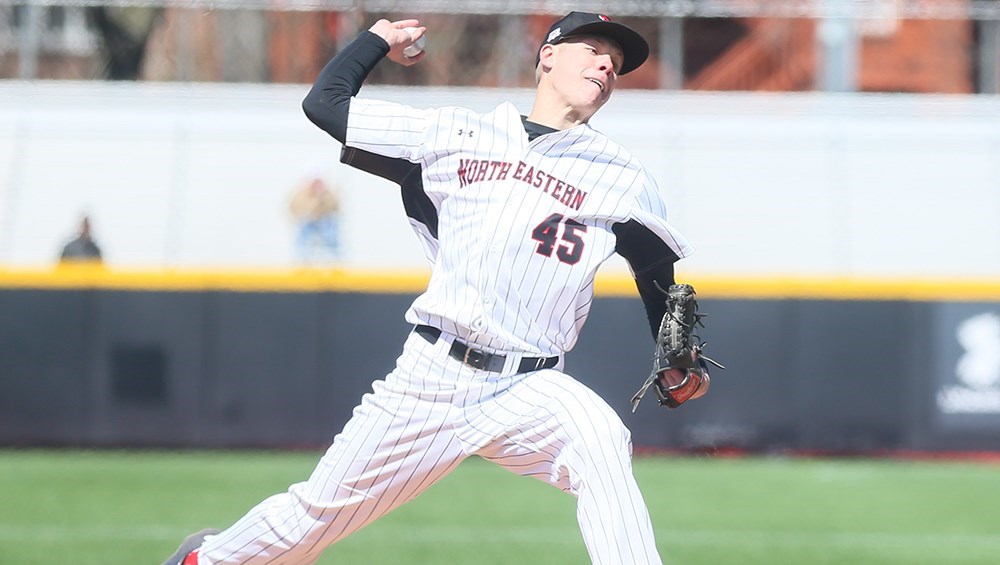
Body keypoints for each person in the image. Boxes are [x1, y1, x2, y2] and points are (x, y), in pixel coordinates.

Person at [162, 11, 707, 565]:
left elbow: (654, 269)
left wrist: (675, 356)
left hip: (531, 384)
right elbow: (326, 105)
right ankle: (204, 559)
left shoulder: (622, 177)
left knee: (601, 441)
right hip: (433, 377)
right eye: (594, 49)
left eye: (615, 63)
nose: (607, 64)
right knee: (314, 519)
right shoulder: (459, 133)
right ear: (547, 55)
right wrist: (378, 40)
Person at [288, 175, 342, 264]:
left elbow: (335, 208)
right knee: (304, 225)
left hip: (324, 224)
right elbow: (296, 209)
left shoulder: (328, 194)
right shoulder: (302, 194)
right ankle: (303, 258)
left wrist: (322, 197)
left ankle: (333, 256)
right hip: (308, 224)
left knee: (329, 225)